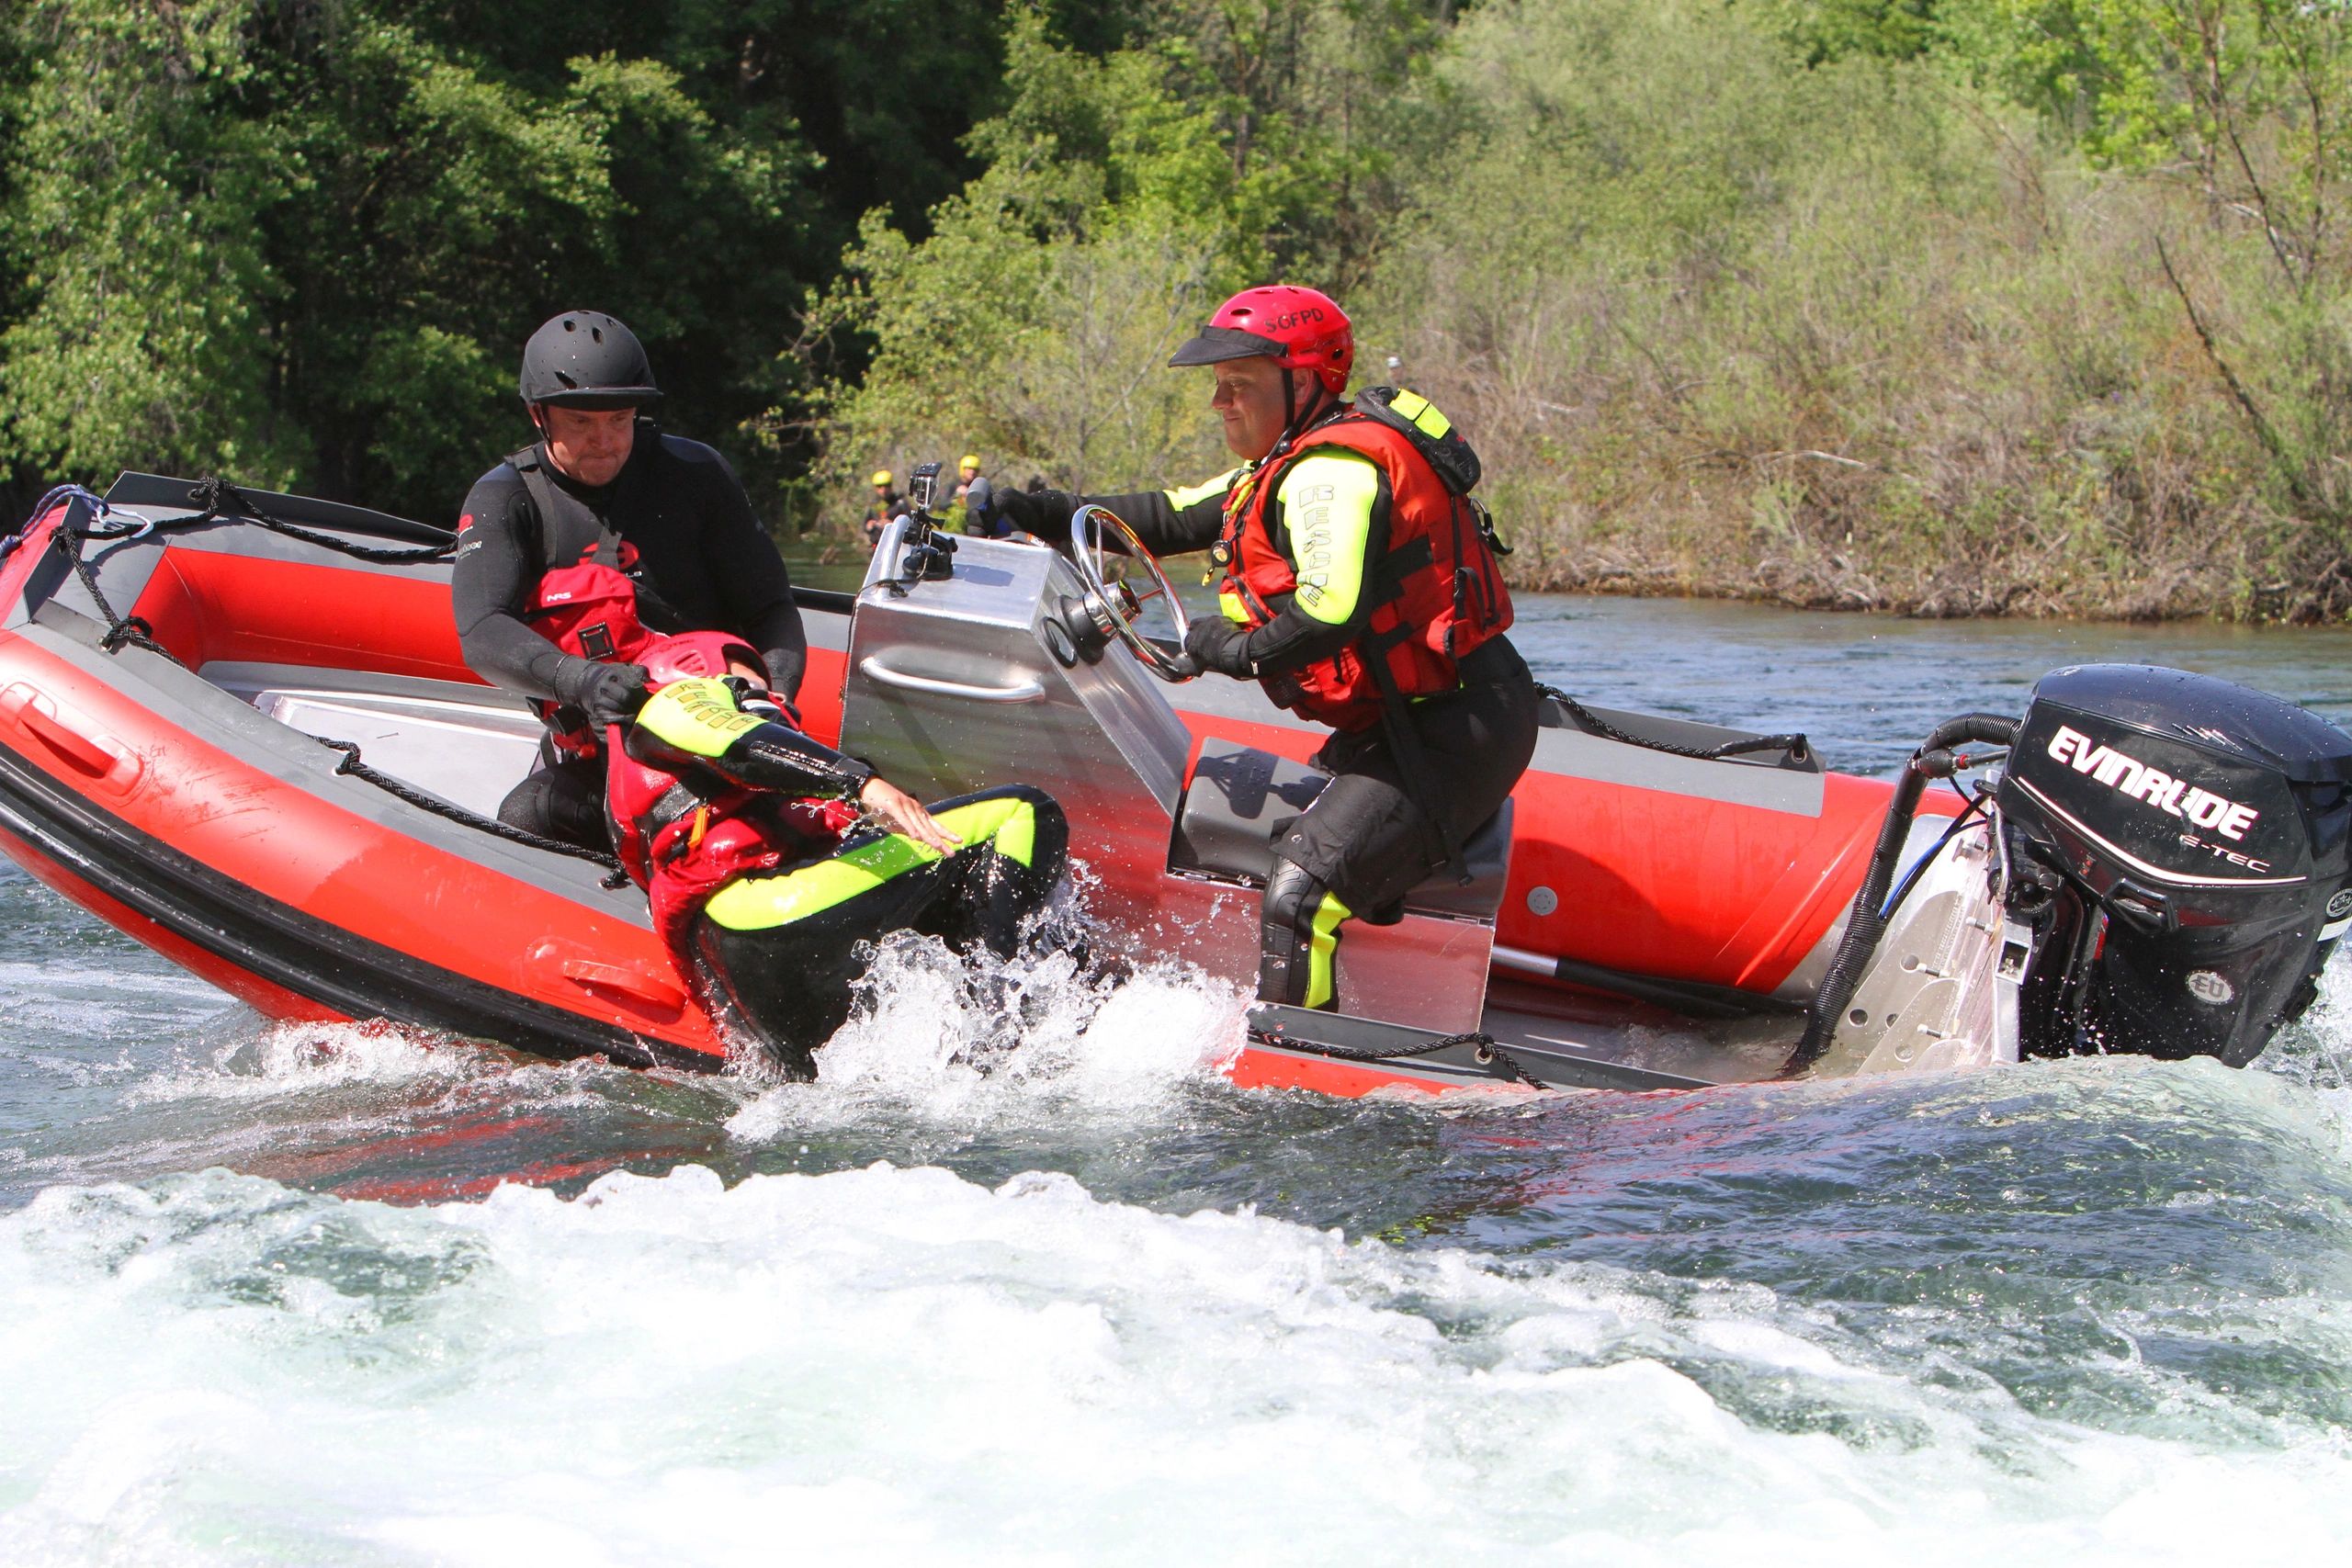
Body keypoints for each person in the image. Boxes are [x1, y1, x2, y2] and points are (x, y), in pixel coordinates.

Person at [992, 285, 1537, 1014]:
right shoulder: (1286, 461)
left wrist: (1231, 650)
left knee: (1299, 890)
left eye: (1239, 384)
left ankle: (1295, 1070)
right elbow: (1172, 516)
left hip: (1456, 731)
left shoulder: (1331, 475)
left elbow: (1329, 613)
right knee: (1302, 851)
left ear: (1303, 381)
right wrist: (1039, 510)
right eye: (1219, 385)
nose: (1220, 401)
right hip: (1400, 726)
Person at [605, 630, 1069, 1077]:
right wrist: (861, 783)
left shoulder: (659, 774)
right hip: (765, 912)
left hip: (748, 969)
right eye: (751, 685)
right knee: (1023, 811)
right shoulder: (672, 702)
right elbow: (741, 745)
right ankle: (1009, 1015)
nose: (771, 700)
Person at [452, 310, 809, 848]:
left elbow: (771, 608)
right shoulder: (506, 498)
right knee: (525, 814)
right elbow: (480, 629)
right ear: (538, 416)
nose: (605, 441)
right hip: (602, 750)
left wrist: (773, 697)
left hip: (719, 735)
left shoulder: (696, 475)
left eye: (619, 420)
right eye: (581, 423)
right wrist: (586, 683)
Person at [951, 453, 1001, 537]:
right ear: (962, 469)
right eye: (969, 468)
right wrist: (957, 496)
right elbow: (942, 506)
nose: (972, 472)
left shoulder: (982, 488)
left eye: (975, 469)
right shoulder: (954, 486)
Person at [863, 470, 906, 547]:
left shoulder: (900, 503)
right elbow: (865, 526)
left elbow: (911, 525)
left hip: (896, 547)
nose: (884, 490)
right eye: (880, 486)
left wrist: (893, 525)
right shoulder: (873, 505)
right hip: (877, 548)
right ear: (876, 488)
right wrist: (869, 525)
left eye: (887, 486)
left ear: (891, 486)